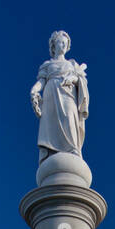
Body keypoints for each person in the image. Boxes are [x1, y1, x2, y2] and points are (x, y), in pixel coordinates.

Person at [30, 30, 89, 161]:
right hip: (51, 95)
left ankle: (73, 149)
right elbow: (41, 81)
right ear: (54, 45)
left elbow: (81, 79)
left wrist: (73, 78)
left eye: (65, 43)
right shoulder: (47, 65)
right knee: (50, 126)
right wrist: (34, 91)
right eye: (60, 42)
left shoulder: (72, 64)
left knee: (69, 117)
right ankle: (51, 153)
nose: (63, 45)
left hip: (67, 94)